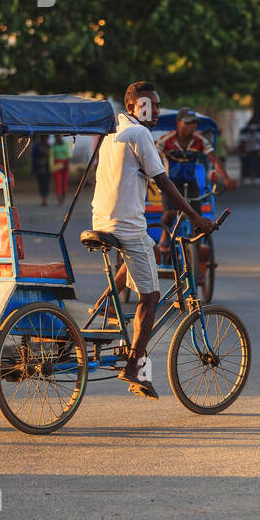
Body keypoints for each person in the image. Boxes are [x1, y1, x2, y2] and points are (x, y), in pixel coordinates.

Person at [92, 81, 214, 398]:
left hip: (103, 221)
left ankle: (111, 295)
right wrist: (196, 217)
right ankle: (133, 367)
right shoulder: (140, 134)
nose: (157, 110)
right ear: (133, 105)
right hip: (127, 226)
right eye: (152, 104)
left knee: (150, 254)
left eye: (159, 105)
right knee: (151, 297)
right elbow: (165, 183)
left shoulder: (113, 129)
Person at [155, 107, 233, 257]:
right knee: (170, 213)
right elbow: (153, 157)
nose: (192, 127)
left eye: (194, 124)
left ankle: (195, 255)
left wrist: (226, 178)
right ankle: (164, 238)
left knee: (196, 219)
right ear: (179, 123)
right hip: (170, 183)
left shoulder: (200, 141)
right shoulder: (166, 140)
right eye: (188, 123)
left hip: (191, 184)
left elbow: (215, 160)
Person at [30, 135, 52, 207]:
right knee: (42, 184)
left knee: (46, 184)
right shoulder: (37, 146)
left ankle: (45, 199)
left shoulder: (49, 146)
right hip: (39, 168)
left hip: (47, 168)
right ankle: (43, 199)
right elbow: (33, 155)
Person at [51, 134, 73, 204]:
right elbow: (51, 155)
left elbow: (69, 155)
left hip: (65, 163)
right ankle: (59, 198)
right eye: (56, 136)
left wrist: (66, 164)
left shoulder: (66, 144)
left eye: (58, 136)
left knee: (64, 182)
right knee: (58, 182)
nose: (57, 137)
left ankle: (63, 197)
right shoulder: (54, 145)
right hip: (57, 164)